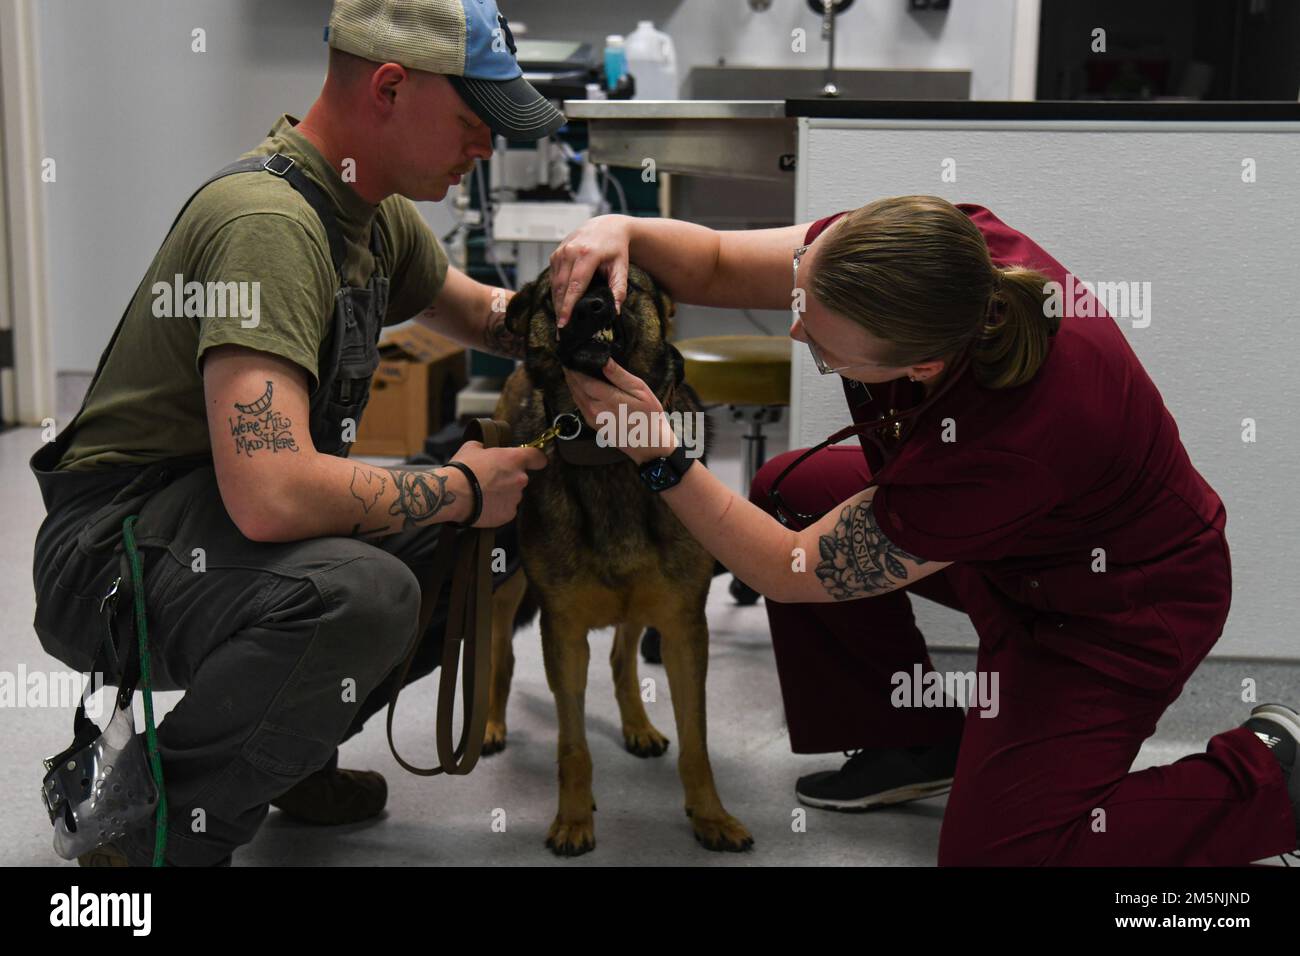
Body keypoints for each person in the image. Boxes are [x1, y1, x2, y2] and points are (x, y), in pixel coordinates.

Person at [555, 195, 1300, 866]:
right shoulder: (927, 255)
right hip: (1010, 546)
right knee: (789, 493)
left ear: (923, 365)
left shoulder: (1012, 438)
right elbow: (716, 263)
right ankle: (910, 740)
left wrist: (660, 456)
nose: (794, 327)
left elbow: (788, 568)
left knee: (1003, 859)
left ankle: (1275, 779)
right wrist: (618, 229)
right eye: (800, 294)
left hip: (1117, 608)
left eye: (820, 348)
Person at [30, 0, 551, 866]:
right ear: (390, 88)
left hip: (200, 526)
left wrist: (585, 305)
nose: (487, 148)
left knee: (456, 542)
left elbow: (489, 317)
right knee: (366, 588)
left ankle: (278, 760)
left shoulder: (369, 212)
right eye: (474, 121)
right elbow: (272, 496)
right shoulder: (270, 226)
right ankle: (148, 833)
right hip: (108, 552)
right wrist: (460, 488)